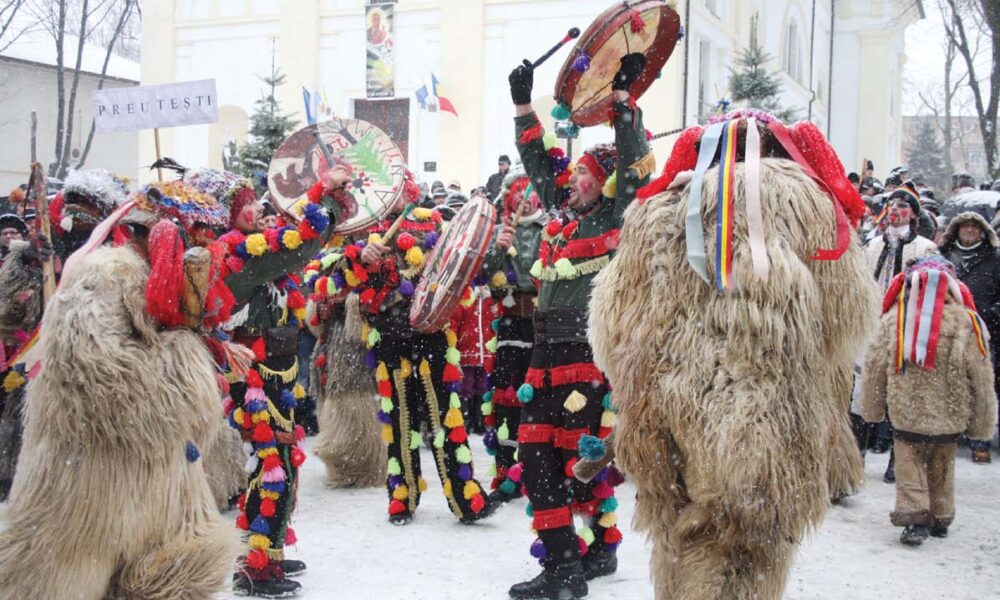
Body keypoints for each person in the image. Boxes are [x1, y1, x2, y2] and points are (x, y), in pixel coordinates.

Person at [589, 111, 877, 600]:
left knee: (678, 534)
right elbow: (847, 323)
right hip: (762, 417)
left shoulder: (656, 207)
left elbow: (608, 324)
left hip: (663, 410)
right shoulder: (805, 199)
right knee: (746, 547)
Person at [0, 186, 242, 598]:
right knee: (67, 577)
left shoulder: (161, 289)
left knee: (165, 577)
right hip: (89, 486)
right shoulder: (105, 276)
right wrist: (184, 360)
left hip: (157, 492)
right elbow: (97, 379)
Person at [505, 51, 654, 599]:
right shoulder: (564, 216)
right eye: (577, 176)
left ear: (605, 185)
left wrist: (621, 102)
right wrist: (524, 105)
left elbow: (637, 167)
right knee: (546, 455)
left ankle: (565, 566)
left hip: (586, 354)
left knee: (571, 459)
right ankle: (596, 550)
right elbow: (541, 165)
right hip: (546, 356)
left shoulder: (617, 217)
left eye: (587, 176)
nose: (573, 182)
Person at [335, 177, 496, 527]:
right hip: (389, 335)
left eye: (397, 187)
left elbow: (457, 263)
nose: (392, 194)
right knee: (399, 421)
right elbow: (338, 277)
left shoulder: (433, 221)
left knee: (446, 417)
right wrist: (360, 259)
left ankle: (465, 495)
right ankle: (401, 495)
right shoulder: (363, 227)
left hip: (432, 330)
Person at [222, 169, 349, 597]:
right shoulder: (238, 254)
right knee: (268, 467)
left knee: (282, 465)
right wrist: (328, 199)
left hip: (279, 373)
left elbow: (295, 239)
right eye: (247, 206)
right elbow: (303, 245)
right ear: (229, 217)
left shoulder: (261, 253)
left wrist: (320, 193)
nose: (258, 209)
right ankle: (254, 566)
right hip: (253, 376)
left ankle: (268, 551)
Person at [860, 256, 997, 545]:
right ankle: (941, 514)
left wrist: (870, 409)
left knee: (910, 462)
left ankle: (915, 516)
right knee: (943, 463)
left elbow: (874, 367)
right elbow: (982, 377)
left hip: (907, 409)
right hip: (950, 411)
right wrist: (981, 424)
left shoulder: (895, 319)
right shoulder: (968, 322)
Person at [861, 182, 937, 481]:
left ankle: (898, 458)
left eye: (902, 207)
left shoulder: (924, 249)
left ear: (914, 215)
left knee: (899, 393)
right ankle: (858, 454)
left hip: (905, 326)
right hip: (871, 325)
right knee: (864, 391)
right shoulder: (872, 244)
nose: (895, 211)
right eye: (891, 206)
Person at [479, 167, 545, 504]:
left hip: (543, 324)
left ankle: (537, 471)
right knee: (506, 397)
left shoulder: (552, 228)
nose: (524, 199)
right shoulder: (499, 232)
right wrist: (497, 250)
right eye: (517, 193)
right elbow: (481, 276)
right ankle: (506, 471)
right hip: (508, 322)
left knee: (537, 397)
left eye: (528, 191)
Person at [939, 211, 1000, 463]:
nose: (970, 231)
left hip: (982, 330)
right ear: (957, 229)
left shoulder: (995, 259)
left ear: (983, 231)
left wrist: (989, 314)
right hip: (947, 330)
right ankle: (946, 434)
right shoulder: (942, 257)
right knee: (947, 382)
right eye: (965, 227)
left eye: (975, 227)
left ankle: (980, 440)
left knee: (982, 385)